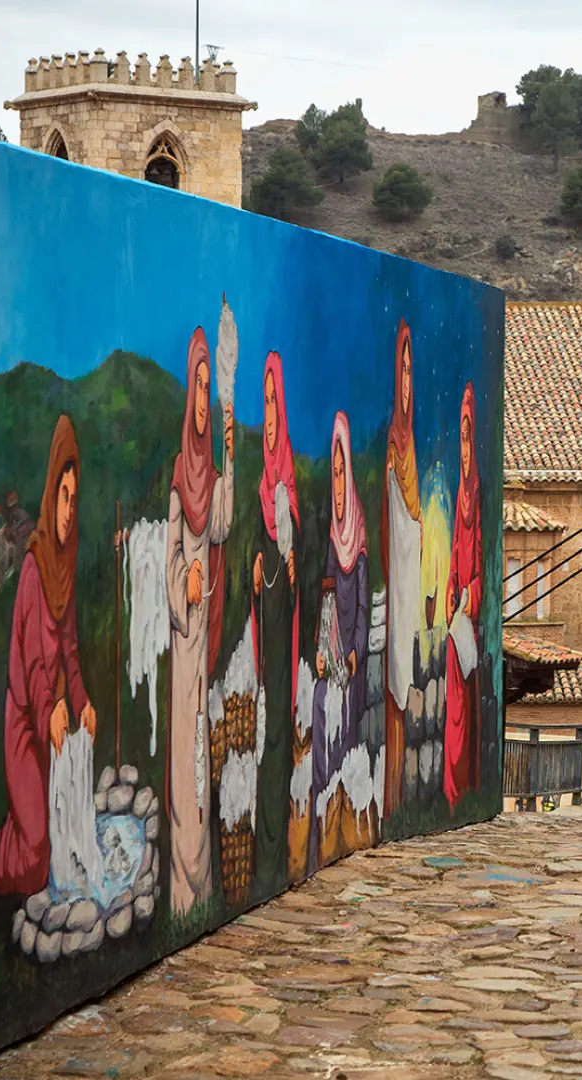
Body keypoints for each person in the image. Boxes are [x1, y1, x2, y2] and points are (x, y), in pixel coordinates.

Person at [0, 416, 95, 896]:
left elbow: (67, 648)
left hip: (54, 725)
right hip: (25, 726)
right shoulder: (33, 564)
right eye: (62, 497)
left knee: (58, 837)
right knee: (34, 848)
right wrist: (50, 706)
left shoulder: (64, 568)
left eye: (75, 498)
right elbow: (30, 660)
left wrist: (82, 699)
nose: (68, 510)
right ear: (51, 496)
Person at [166, 328, 236, 913]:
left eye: (208, 389)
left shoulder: (210, 475)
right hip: (180, 633)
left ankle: (201, 880)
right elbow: (171, 549)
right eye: (198, 384)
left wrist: (232, 456)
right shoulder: (177, 473)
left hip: (203, 625)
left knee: (200, 759)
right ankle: (181, 887)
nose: (201, 397)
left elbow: (221, 526)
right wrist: (179, 581)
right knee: (182, 752)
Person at [251, 352, 301, 888]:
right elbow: (248, 543)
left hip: (280, 634)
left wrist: (288, 562)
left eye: (273, 401)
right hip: (256, 633)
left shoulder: (286, 481)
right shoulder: (257, 484)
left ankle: (275, 836)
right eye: (262, 401)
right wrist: (257, 559)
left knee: (277, 734)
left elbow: (299, 558)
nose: (267, 413)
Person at [315, 412, 373, 864]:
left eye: (341, 473)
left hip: (352, 655)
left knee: (346, 727)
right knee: (320, 713)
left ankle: (342, 816)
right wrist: (322, 649)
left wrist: (353, 650)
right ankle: (322, 811)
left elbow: (363, 606)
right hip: (331, 650)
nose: (337, 484)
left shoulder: (358, 535)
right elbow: (328, 599)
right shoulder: (334, 539)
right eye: (332, 474)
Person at [383, 321, 424, 814]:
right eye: (405, 370)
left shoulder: (410, 447)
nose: (409, 381)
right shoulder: (393, 445)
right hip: (394, 606)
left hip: (412, 600)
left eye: (413, 371)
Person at [444, 384, 484, 809]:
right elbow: (457, 554)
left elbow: (481, 561)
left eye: (471, 438)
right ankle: (453, 790)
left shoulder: (480, 494)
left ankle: (463, 790)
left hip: (469, 625)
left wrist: (472, 594)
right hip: (457, 624)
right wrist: (456, 589)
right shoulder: (459, 495)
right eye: (463, 438)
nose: (467, 447)